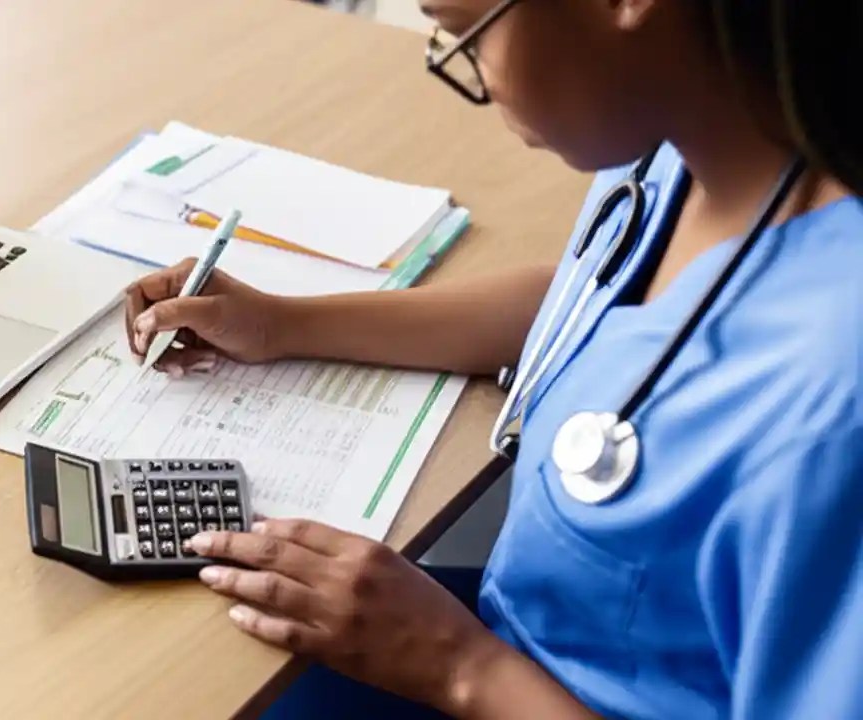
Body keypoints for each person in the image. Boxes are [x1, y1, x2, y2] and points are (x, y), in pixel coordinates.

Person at [123, 0, 863, 717]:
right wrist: (283, 323)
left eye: (467, 34)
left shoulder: (832, 403)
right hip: (518, 638)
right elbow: (587, 292)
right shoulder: (693, 142)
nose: (475, 78)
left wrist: (456, 665)